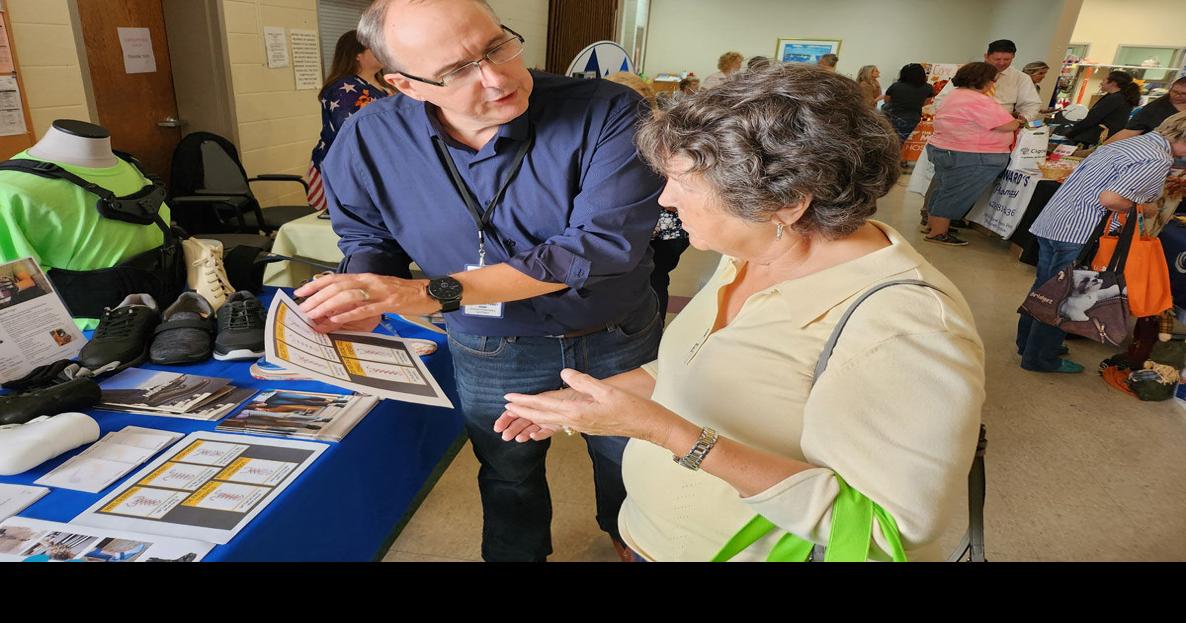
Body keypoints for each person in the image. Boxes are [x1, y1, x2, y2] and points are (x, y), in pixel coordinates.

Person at [498, 64, 985, 562]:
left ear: (788, 201)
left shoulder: (906, 327)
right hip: (657, 539)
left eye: (686, 185)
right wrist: (602, 397)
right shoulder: (751, 253)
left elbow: (883, 532)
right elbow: (710, 364)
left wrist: (661, 431)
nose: (665, 199)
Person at [294, 0, 664, 563]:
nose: (496, 78)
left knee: (629, 458)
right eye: (455, 71)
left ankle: (632, 543)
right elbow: (366, 238)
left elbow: (598, 247)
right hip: (493, 344)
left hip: (613, 330)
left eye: (496, 47)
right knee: (506, 470)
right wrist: (365, 294)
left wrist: (426, 294)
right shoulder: (370, 138)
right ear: (404, 83)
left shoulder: (606, 111)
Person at [1019, 111, 1186, 373]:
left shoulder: (1130, 142)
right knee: (1065, 299)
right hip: (1081, 231)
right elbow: (1110, 199)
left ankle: (1028, 344)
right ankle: (1040, 357)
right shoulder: (1158, 157)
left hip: (1055, 220)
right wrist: (1146, 209)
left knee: (1045, 287)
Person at [603, 73, 689, 319]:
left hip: (656, 230)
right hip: (662, 231)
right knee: (655, 281)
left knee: (653, 281)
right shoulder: (665, 133)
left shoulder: (659, 140)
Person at [923, 62, 1024, 246]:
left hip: (948, 150)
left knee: (943, 189)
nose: (993, 85)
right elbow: (1006, 124)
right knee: (955, 194)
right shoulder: (978, 100)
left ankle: (934, 225)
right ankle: (938, 232)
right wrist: (1017, 122)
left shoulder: (954, 95)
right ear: (984, 81)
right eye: (992, 81)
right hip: (971, 154)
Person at [307, 30, 392, 212]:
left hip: (381, 159)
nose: (382, 52)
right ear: (357, 55)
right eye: (374, 48)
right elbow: (351, 129)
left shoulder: (385, 85)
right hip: (349, 165)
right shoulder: (343, 87)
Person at [934, 40, 1043, 121]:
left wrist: (1023, 118)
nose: (1001, 63)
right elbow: (942, 100)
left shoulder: (1021, 78)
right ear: (986, 56)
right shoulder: (969, 72)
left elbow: (1031, 104)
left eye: (1007, 59)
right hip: (964, 122)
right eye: (997, 59)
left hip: (1001, 127)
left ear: (1013, 57)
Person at [1055, 70, 1140, 147]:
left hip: (1095, 139)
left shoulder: (1115, 98)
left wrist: (1071, 133)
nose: (1101, 83)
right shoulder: (1120, 97)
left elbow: (1093, 118)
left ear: (1113, 83)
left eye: (1104, 80)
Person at [1104, 76, 1186, 145]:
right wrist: (1101, 149)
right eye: (1174, 91)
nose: (1177, 95)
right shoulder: (1155, 108)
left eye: (1183, 94)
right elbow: (1129, 132)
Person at [882, 63, 934, 141]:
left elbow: (887, 101)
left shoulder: (895, 86)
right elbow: (926, 105)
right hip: (914, 121)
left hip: (894, 120)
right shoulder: (929, 88)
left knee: (894, 143)